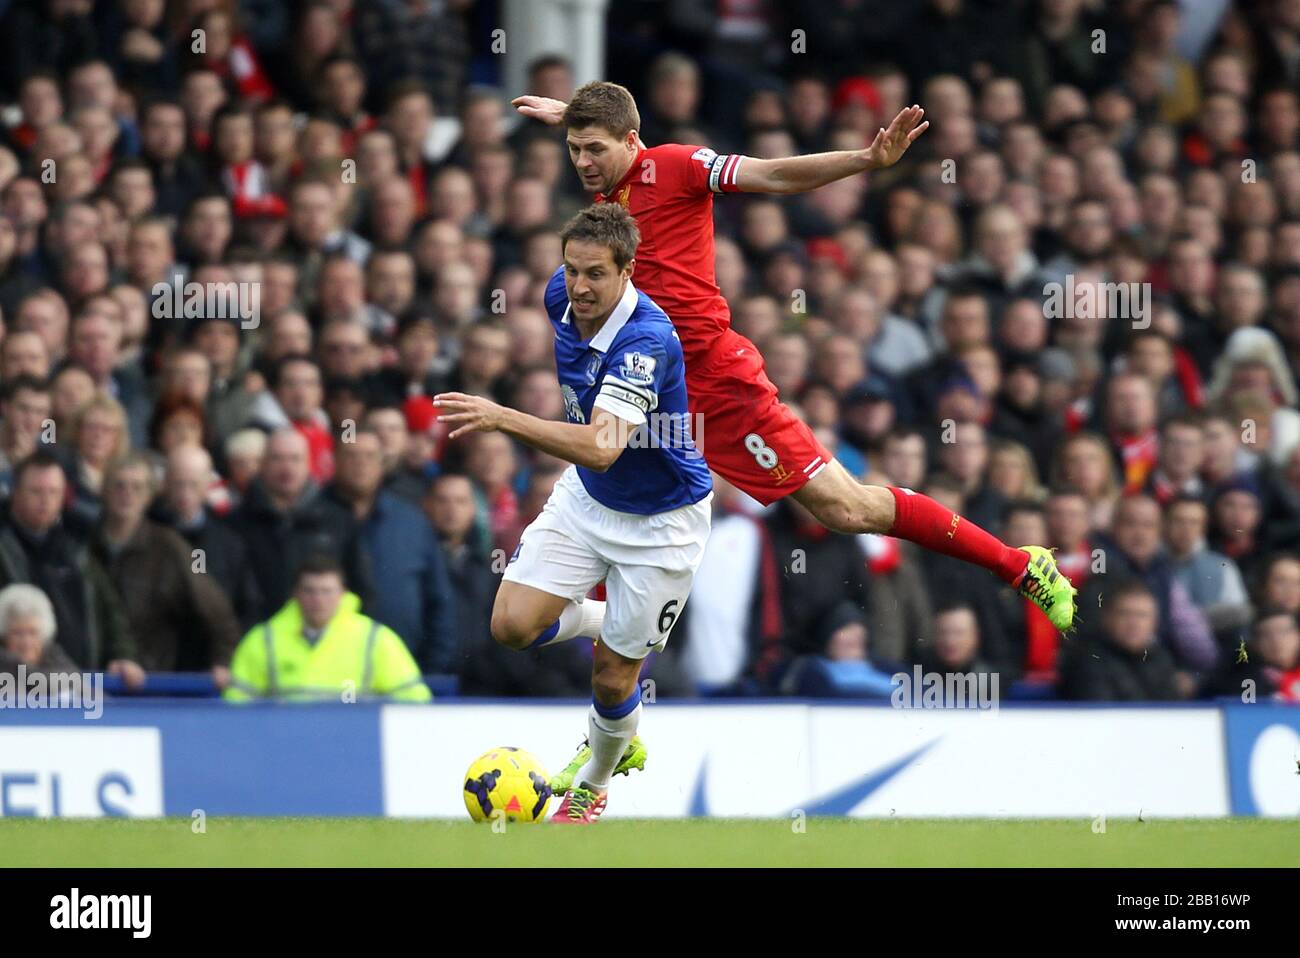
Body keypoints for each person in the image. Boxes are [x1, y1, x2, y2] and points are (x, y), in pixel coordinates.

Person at [513, 81, 1076, 632]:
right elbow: (616, 141)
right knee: (618, 505)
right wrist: (576, 117)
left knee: (846, 509)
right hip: (646, 388)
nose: (583, 162)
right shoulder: (610, 190)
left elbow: (772, 173)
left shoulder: (681, 165)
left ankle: (1020, 564)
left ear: (632, 140)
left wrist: (865, 158)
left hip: (713, 384)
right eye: (574, 149)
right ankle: (616, 686)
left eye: (594, 149)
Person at [435, 204, 712, 823]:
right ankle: (612, 623)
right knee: (510, 626)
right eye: (572, 270)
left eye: (595, 274)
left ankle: (594, 782)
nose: (580, 287)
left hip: (662, 524)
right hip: (588, 499)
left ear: (627, 272)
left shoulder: (646, 340)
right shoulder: (561, 293)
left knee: (613, 681)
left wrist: (501, 415)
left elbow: (604, 446)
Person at [224, 553, 430, 703]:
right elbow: (236, 704)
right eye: (310, 591)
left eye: (327, 591)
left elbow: (414, 699)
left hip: (355, 747)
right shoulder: (263, 639)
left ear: (343, 594)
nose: (318, 599)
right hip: (283, 747)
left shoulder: (375, 639)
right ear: (295, 594)